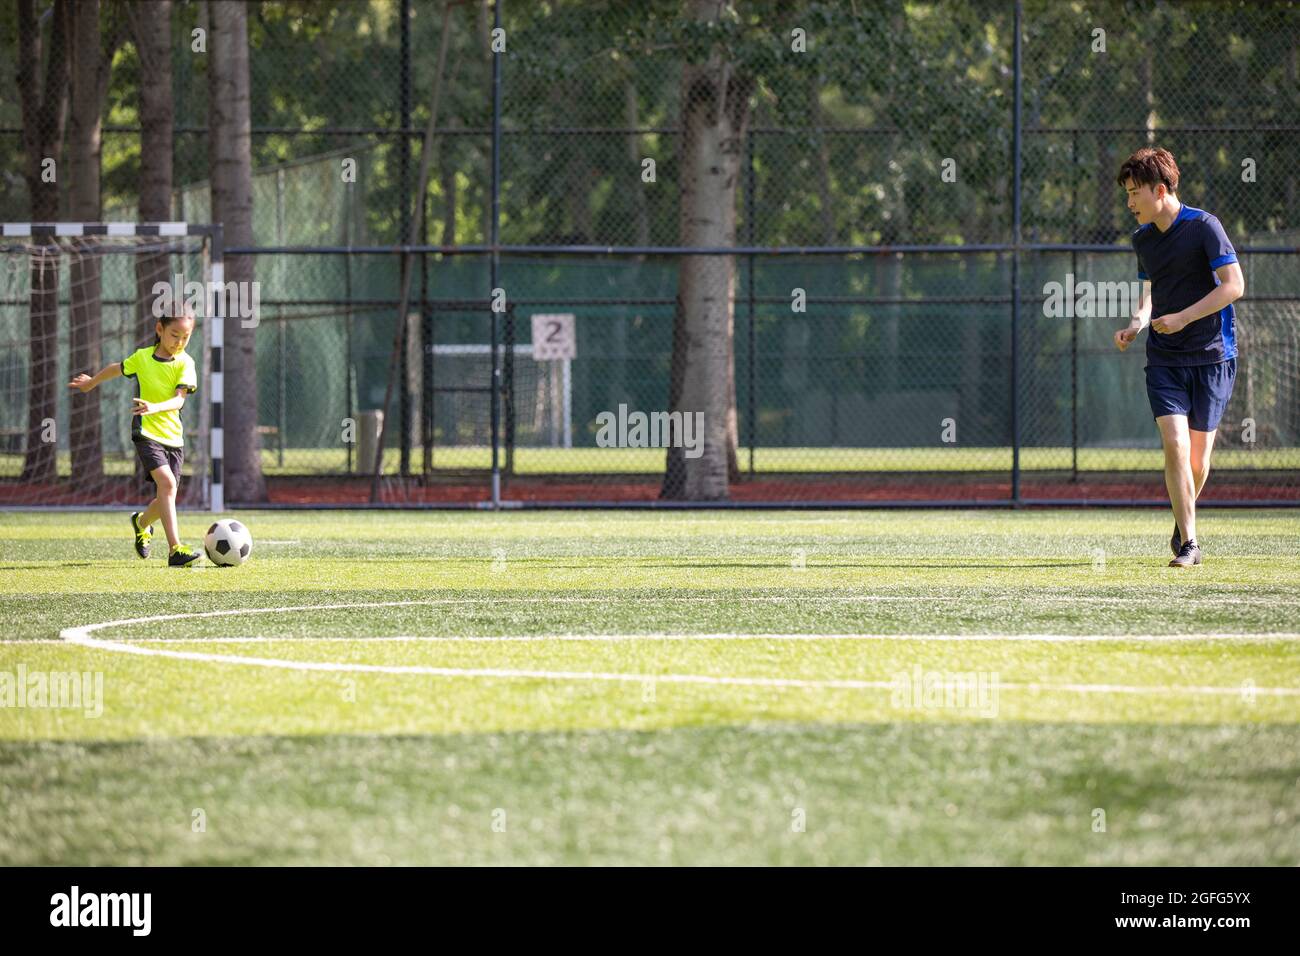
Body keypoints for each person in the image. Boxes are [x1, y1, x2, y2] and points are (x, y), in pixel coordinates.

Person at [1113, 147, 1245, 568]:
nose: (1129, 203)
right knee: (1174, 444)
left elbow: (1233, 286)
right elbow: (1150, 293)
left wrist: (1185, 318)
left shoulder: (1205, 226)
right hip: (1165, 359)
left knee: (1197, 461)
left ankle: (1181, 516)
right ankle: (1190, 542)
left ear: (1161, 189)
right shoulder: (1142, 239)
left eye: (1135, 193)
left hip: (1212, 356)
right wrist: (1137, 322)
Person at [68, 309, 202, 566]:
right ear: (160, 330)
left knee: (166, 494)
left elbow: (178, 400)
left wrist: (155, 406)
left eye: (186, 337)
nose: (179, 342)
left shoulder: (186, 363)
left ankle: (141, 523)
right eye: (175, 335)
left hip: (173, 437)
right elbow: (116, 368)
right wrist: (91, 383)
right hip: (146, 433)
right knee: (168, 485)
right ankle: (176, 550)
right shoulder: (142, 358)